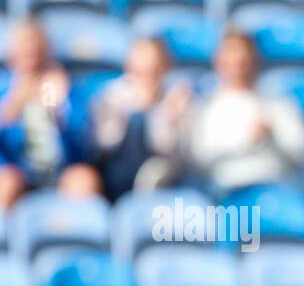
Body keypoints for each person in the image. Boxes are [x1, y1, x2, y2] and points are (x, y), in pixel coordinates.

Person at [186, 29, 304, 195]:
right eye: (231, 62)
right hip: (226, 192)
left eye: (243, 62)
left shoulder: (279, 105)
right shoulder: (206, 108)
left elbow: (300, 158)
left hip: (274, 192)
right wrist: (244, 141)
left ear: (255, 62)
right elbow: (199, 160)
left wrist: (271, 137)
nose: (238, 69)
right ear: (219, 63)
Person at [0, 19, 101, 208]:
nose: (30, 54)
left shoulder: (63, 86)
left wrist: (58, 105)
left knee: (84, 181)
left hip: (61, 171)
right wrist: (15, 103)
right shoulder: (4, 88)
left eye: (35, 48)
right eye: (24, 47)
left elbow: (84, 143)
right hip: (18, 171)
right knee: (6, 183)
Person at [92, 37, 191, 201]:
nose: (147, 76)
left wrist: (164, 117)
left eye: (153, 69)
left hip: (163, 179)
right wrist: (136, 107)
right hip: (116, 176)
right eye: (140, 70)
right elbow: (104, 144)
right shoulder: (112, 95)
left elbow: (172, 150)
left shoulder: (176, 97)